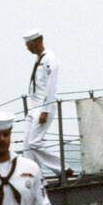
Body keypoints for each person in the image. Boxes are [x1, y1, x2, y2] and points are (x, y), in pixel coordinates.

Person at [22, 30, 63, 178]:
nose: (27, 47)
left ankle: (63, 168)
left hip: (44, 106)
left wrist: (45, 110)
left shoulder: (50, 59)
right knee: (27, 146)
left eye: (29, 44)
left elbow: (51, 87)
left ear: (38, 41)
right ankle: (34, 177)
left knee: (34, 142)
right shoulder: (39, 59)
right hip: (34, 107)